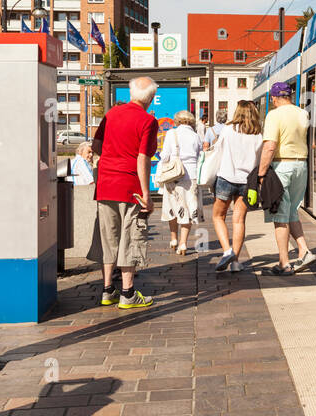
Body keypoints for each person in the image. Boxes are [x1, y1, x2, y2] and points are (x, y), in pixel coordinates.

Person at [80, 76, 159, 308]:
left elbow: (95, 147)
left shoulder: (111, 115)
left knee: (108, 238)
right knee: (130, 237)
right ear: (151, 98)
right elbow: (143, 159)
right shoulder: (147, 121)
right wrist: (147, 194)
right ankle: (128, 293)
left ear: (131, 92)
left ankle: (107, 290)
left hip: (105, 185)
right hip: (130, 187)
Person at [257, 81, 316, 274]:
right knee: (292, 212)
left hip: (282, 166)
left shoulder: (274, 115)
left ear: (274, 98)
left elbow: (270, 146)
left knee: (279, 216)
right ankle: (304, 250)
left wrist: (261, 173)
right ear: (289, 96)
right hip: (302, 165)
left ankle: (284, 262)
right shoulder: (302, 113)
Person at [211, 101, 264, 273]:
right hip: (247, 181)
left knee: (218, 216)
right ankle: (235, 262)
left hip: (226, 176)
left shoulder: (228, 129)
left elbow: (217, 150)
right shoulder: (258, 134)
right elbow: (259, 160)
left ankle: (227, 251)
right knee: (239, 220)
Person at [159, 110, 203, 255]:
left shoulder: (172, 133)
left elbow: (165, 156)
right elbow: (199, 155)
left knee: (173, 206)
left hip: (174, 176)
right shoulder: (196, 136)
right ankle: (183, 243)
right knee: (189, 209)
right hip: (192, 176)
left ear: (177, 121)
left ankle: (173, 239)